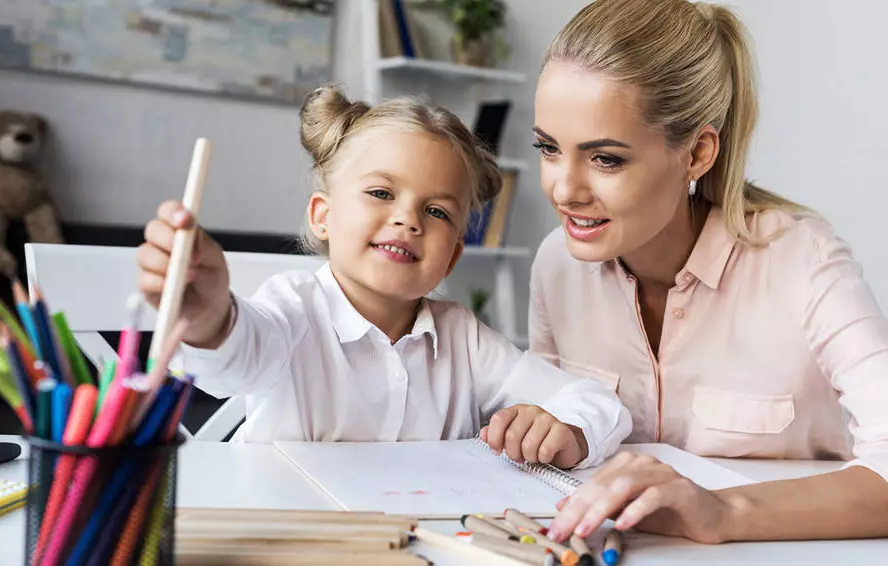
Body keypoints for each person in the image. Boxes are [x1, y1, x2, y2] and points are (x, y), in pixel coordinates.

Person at [529, 0, 888, 543]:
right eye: (549, 149)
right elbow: (553, 431)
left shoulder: (802, 260)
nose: (564, 189)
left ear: (696, 153)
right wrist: (549, 430)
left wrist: (723, 511)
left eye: (606, 159)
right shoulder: (556, 265)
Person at [137, 85, 631, 471]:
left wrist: (570, 431)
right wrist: (207, 317)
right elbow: (232, 363)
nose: (408, 220)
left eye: (437, 211)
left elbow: (595, 404)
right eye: (380, 193)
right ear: (322, 215)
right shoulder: (292, 307)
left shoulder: (464, 337)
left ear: (454, 254)